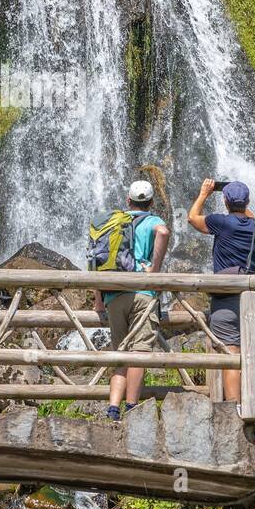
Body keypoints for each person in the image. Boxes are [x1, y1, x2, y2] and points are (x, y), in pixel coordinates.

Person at [92, 179, 170, 421]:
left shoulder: (113, 222)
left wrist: (98, 300)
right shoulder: (153, 221)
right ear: (151, 202)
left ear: (128, 201)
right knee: (138, 352)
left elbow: (96, 261)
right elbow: (164, 232)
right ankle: (132, 407)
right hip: (142, 294)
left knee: (121, 353)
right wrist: (154, 269)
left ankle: (113, 408)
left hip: (114, 294)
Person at [187, 178, 255, 403]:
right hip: (252, 299)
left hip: (226, 301)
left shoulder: (221, 223)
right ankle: (254, 410)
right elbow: (248, 215)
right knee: (252, 357)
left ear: (225, 202)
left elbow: (192, 217)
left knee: (230, 356)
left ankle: (233, 413)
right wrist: (240, 201)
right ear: (248, 201)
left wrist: (204, 193)